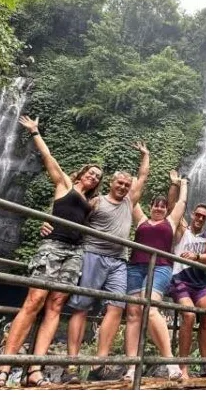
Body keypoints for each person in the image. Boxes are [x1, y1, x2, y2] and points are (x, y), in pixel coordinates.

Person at [0, 115, 103, 388]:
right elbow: (48, 157)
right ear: (82, 172)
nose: (94, 176)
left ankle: (35, 370)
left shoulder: (91, 202)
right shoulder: (64, 184)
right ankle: (3, 369)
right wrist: (35, 132)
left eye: (98, 176)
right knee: (34, 300)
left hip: (75, 252)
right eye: (91, 172)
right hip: (52, 246)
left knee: (55, 306)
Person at [40, 141, 150, 383]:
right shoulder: (96, 202)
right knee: (81, 306)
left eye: (126, 184)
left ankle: (100, 363)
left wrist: (145, 155)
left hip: (119, 261)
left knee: (117, 307)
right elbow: (71, 213)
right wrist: (49, 222)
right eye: (119, 183)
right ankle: (72, 365)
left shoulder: (130, 201)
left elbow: (143, 176)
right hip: (91, 255)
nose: (123, 187)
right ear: (111, 183)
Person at [121, 172, 189, 382]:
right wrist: (137, 178)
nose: (159, 208)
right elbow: (132, 198)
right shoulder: (140, 219)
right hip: (135, 268)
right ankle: (131, 367)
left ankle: (170, 363)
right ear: (150, 207)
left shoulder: (171, 221)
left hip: (160, 267)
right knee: (133, 314)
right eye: (156, 205)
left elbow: (182, 202)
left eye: (162, 205)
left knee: (150, 308)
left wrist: (182, 184)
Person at [168, 204, 206, 379]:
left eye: (204, 217)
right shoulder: (182, 231)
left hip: (198, 283)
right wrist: (179, 187)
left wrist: (195, 257)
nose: (200, 218)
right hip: (180, 279)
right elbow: (174, 208)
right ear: (192, 214)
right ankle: (183, 367)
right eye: (198, 215)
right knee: (189, 315)